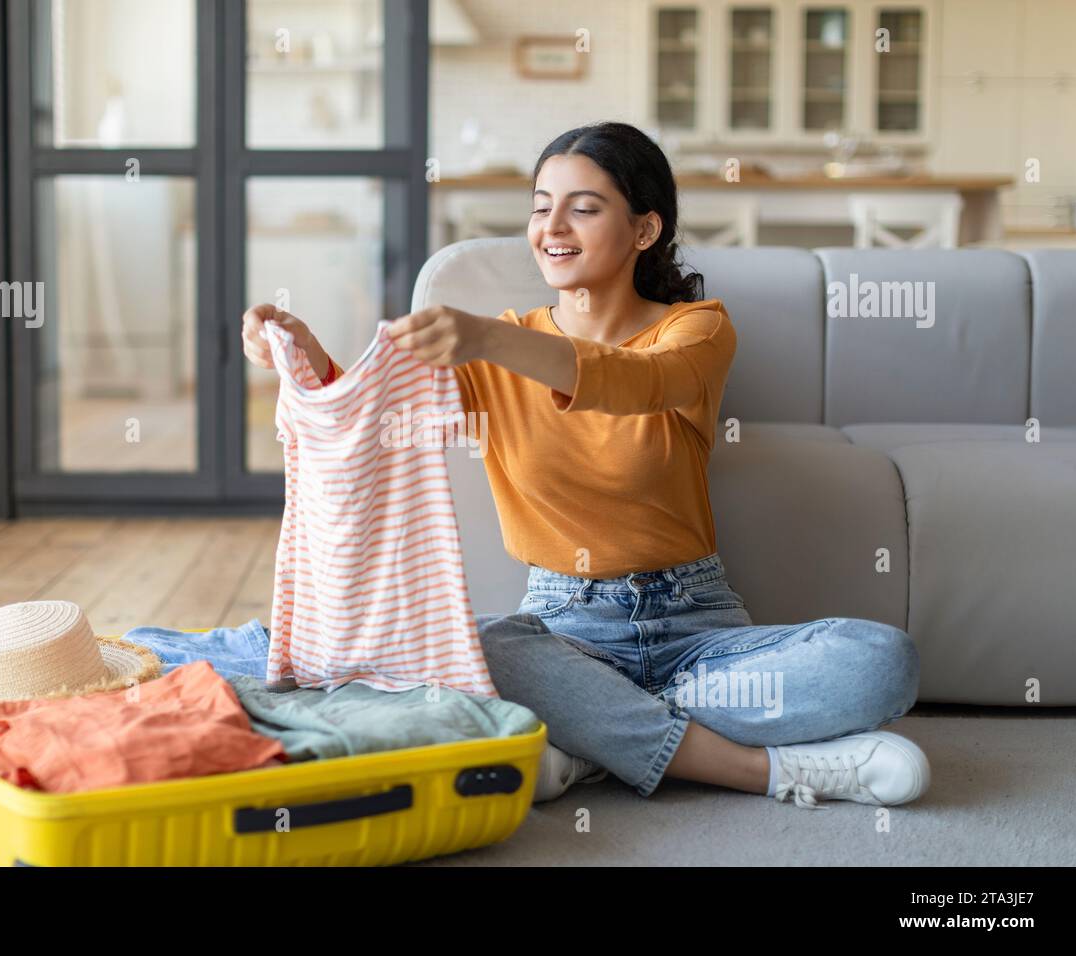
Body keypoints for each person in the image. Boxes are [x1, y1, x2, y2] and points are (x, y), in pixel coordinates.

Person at [242, 121, 929, 811]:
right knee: (481, 647)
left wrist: (488, 336)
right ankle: (761, 770)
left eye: (584, 206)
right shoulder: (500, 346)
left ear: (644, 230)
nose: (552, 226)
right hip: (563, 628)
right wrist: (306, 359)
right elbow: (382, 417)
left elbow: (635, 382)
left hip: (700, 631)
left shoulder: (695, 331)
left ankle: (593, 738)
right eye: (541, 205)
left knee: (881, 662)